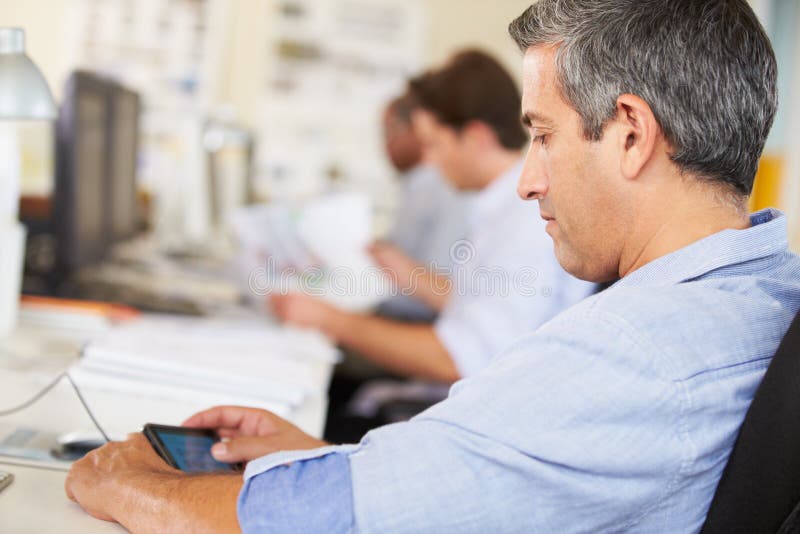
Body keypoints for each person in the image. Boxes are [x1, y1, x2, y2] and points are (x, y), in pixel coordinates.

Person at [65, 0, 800, 531]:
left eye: (542, 136)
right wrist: (326, 456)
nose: (528, 180)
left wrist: (128, 483)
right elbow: (535, 471)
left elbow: (319, 523)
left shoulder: (633, 349)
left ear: (631, 135)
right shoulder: (754, 295)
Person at [271, 50, 593, 383]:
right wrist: (406, 272)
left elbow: (460, 358)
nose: (430, 161)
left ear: (477, 138)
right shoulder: (501, 211)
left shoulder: (526, 225)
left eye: (435, 144)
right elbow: (479, 305)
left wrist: (329, 320)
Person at [377, 93, 472, 322]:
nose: (386, 144)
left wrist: (387, 260)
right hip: (396, 309)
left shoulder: (440, 186)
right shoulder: (414, 185)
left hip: (420, 321)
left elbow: (443, 289)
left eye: (390, 132)